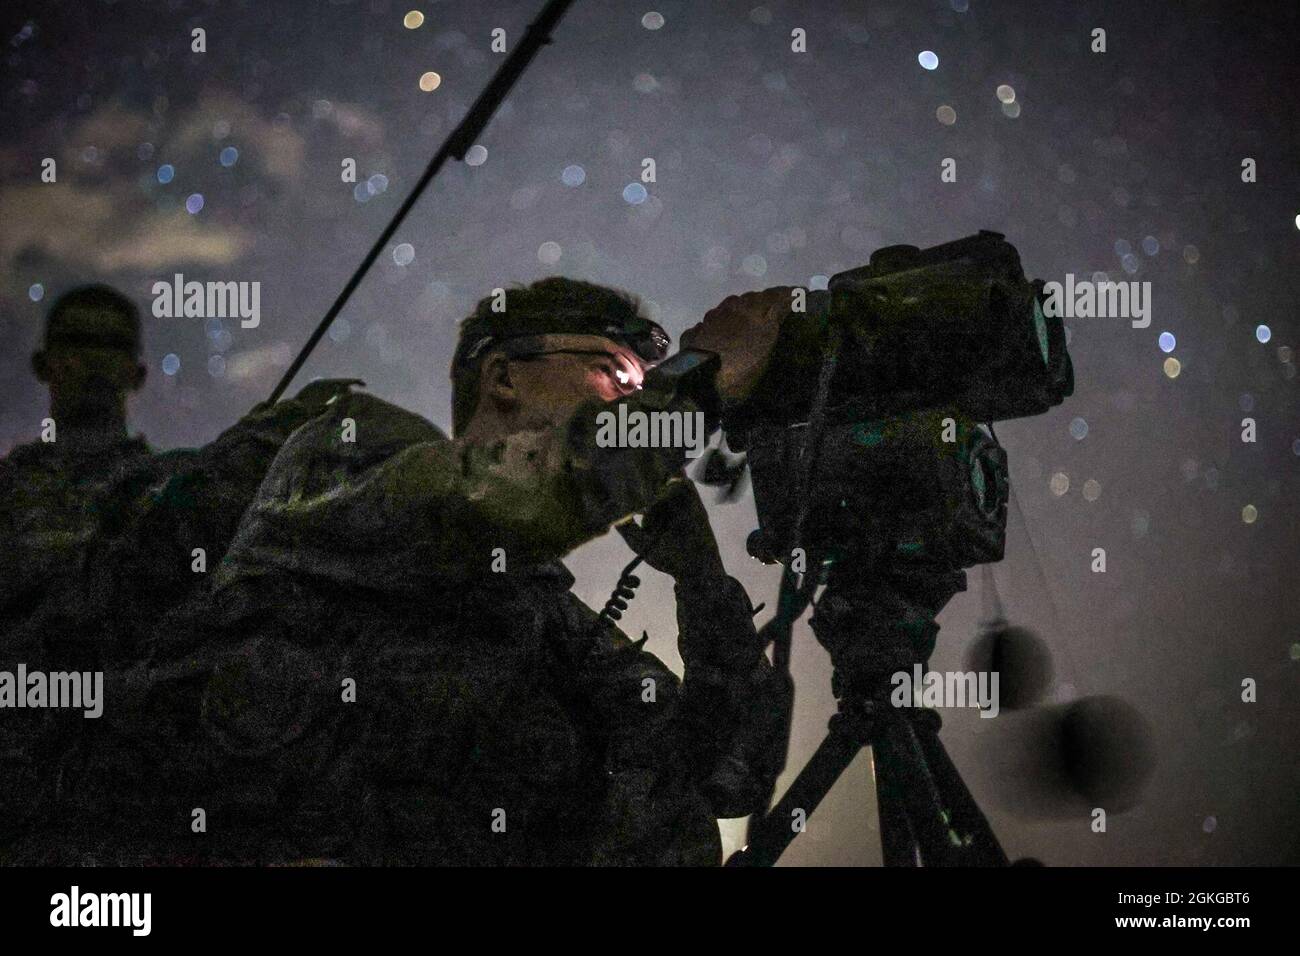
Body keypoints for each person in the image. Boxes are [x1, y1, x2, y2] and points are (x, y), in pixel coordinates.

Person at [64, 277, 796, 865]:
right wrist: (699, 384)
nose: (630, 399)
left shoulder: (545, 618)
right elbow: (501, 498)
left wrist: (701, 582)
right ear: (504, 377)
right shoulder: (350, 455)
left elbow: (727, 776)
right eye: (614, 372)